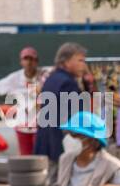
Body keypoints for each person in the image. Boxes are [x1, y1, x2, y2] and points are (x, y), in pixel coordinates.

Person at [33, 42, 92, 175]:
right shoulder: (67, 83)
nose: (84, 65)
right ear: (66, 62)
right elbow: (77, 117)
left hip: (46, 144)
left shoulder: (52, 79)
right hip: (59, 146)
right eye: (80, 60)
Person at [0, 47, 47, 156]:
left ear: (36, 61)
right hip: (22, 125)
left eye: (31, 59)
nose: (29, 62)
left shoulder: (44, 75)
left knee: (41, 157)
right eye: (26, 59)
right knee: (26, 157)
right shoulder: (15, 78)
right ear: (21, 61)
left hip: (41, 125)